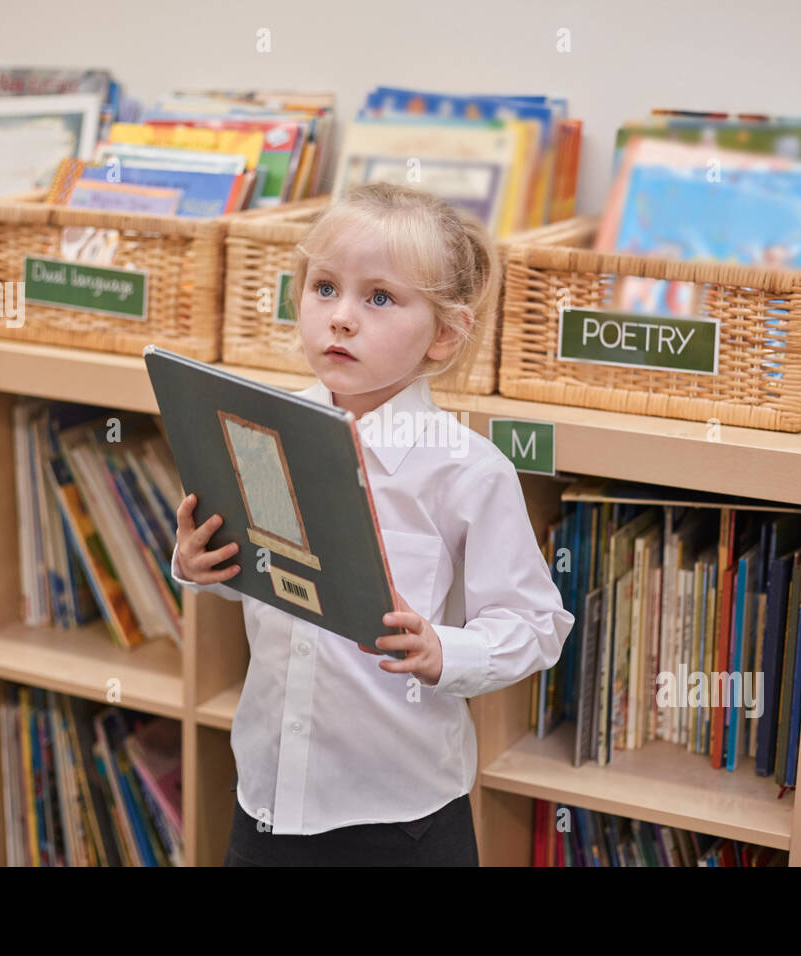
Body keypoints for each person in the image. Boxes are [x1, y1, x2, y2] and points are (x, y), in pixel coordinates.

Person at [172, 182, 574, 866]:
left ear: (445, 334)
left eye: (379, 298)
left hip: (403, 820)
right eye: (324, 287)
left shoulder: (467, 471)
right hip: (267, 799)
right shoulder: (259, 431)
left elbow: (538, 625)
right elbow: (267, 573)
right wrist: (197, 564)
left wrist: (449, 652)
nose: (341, 318)